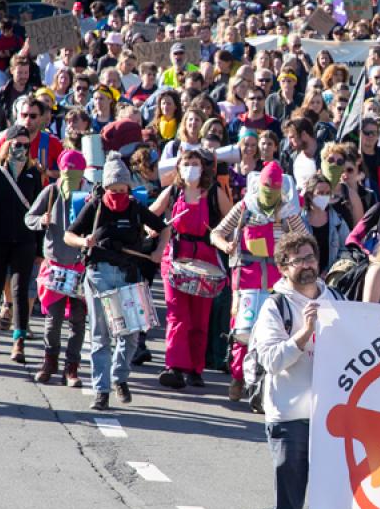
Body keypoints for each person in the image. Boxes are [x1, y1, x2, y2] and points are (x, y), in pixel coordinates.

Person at [249, 232, 339, 509]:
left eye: (309, 256)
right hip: (289, 419)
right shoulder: (276, 306)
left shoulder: (333, 298)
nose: (306, 264)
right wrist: (303, 335)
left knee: (328, 503)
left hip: (330, 419)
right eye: (297, 260)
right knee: (290, 505)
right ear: (284, 268)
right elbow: (270, 360)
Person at [66, 155, 170, 410]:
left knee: (131, 334)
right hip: (99, 274)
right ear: (106, 187)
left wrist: (159, 251)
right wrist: (84, 241)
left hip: (128, 277)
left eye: (122, 190)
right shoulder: (95, 206)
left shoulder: (135, 207)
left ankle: (119, 377)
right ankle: (101, 391)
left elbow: (165, 228)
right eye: (113, 190)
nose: (118, 194)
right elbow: (69, 234)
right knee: (101, 335)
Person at [212, 161, 308, 401]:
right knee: (242, 332)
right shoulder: (245, 207)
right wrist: (227, 245)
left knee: (274, 335)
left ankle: (264, 388)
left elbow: (307, 242)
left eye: (274, 189)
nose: (269, 193)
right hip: (246, 278)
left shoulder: (288, 213)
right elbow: (216, 233)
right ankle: (237, 377)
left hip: (278, 283)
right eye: (266, 187)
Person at [148, 148, 229, 389]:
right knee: (176, 314)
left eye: (195, 162)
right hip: (175, 258)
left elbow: (231, 220)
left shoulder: (214, 193)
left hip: (205, 260)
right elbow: (150, 214)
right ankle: (173, 366)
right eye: (187, 162)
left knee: (199, 318)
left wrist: (224, 238)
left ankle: (195, 368)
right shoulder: (173, 191)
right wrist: (152, 229)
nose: (191, 166)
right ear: (179, 166)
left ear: (203, 167)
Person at [0, 128, 45, 363]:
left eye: (26, 145)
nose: (21, 149)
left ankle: (19, 340)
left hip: (24, 241)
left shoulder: (33, 173)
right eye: (17, 144)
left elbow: (40, 212)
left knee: (20, 291)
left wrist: (40, 249)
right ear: (7, 144)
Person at [26, 149, 92, 387]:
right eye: (66, 171)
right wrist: (40, 220)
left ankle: (71, 368)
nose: (70, 175)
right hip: (54, 265)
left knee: (77, 320)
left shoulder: (90, 193)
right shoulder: (51, 191)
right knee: (52, 320)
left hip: (80, 266)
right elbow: (29, 217)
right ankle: (49, 361)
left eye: (75, 171)